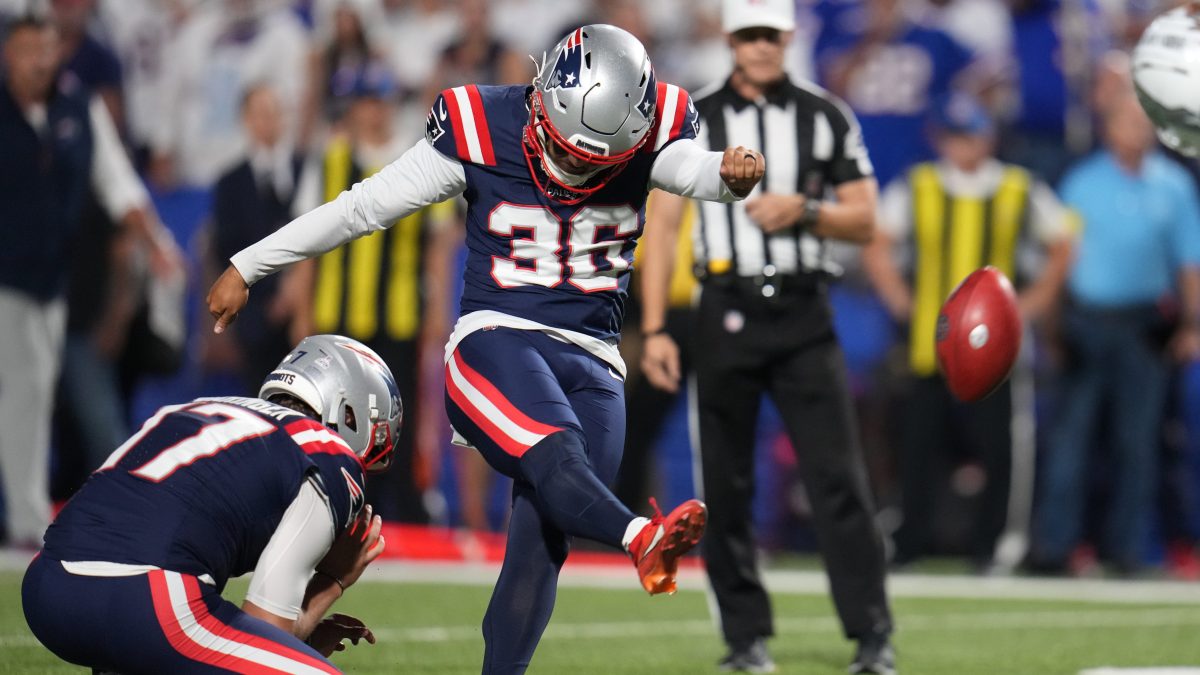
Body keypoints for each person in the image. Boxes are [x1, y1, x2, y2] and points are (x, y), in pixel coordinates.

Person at [208, 24, 764, 672]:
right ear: (542, 100)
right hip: (497, 340)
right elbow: (363, 208)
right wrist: (249, 264)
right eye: (566, 149)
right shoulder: (482, 124)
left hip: (596, 358)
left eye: (597, 159)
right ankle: (640, 536)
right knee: (558, 450)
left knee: (541, 543)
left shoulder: (654, 127)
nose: (577, 168)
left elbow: (695, 170)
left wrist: (730, 173)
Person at [638, 1, 894, 672]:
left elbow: (866, 221)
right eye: (748, 34)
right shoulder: (693, 118)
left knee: (839, 476)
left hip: (806, 312)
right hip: (723, 307)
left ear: (789, 37)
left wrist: (806, 211)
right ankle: (744, 637)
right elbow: (660, 227)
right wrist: (658, 325)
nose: (759, 46)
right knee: (726, 483)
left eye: (770, 35)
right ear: (729, 38)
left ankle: (872, 633)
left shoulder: (825, 114)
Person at [23, 334, 397, 672]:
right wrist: (332, 582)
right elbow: (267, 622)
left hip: (47, 584)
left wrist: (295, 645)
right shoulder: (326, 450)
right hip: (146, 601)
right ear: (351, 414)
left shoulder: (194, 408)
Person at [862, 93, 1073, 572]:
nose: (965, 146)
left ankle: (995, 544)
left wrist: (1031, 305)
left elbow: (1062, 243)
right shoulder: (919, 186)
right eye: (955, 135)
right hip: (929, 345)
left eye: (973, 133)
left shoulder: (1018, 188)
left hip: (996, 351)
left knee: (1000, 450)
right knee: (918, 446)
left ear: (990, 135)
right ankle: (911, 539)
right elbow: (879, 241)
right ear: (939, 138)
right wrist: (899, 297)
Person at [0, 15, 175, 547]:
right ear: (9, 54)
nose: (39, 60)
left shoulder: (79, 108)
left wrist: (157, 244)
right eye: (28, 49)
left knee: (29, 398)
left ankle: (27, 520)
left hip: (48, 282)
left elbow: (118, 182)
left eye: (46, 49)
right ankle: (26, 516)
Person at [1031, 91, 1200, 575]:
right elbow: (1060, 258)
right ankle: (1056, 547)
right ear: (1109, 129)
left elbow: (1189, 261)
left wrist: (1191, 323)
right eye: (1128, 122)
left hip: (1144, 325)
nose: (1137, 132)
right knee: (1071, 440)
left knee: (1138, 442)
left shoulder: (1174, 185)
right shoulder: (1082, 182)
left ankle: (1127, 549)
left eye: (1144, 123)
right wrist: (1054, 327)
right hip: (1087, 321)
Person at [288, 62, 460, 524]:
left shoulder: (418, 159)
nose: (372, 112)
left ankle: (395, 519)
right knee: (331, 420)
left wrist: (436, 311)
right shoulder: (330, 158)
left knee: (394, 425)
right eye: (365, 102)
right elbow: (307, 239)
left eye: (379, 102)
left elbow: (438, 246)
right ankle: (332, 513)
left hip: (398, 318)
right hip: (336, 316)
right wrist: (301, 311)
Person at [209, 84, 305, 392]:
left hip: (302, 313)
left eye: (273, 112)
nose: (267, 121)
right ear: (246, 120)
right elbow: (225, 247)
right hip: (254, 318)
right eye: (259, 113)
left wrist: (292, 295)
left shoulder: (306, 169)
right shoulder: (230, 182)